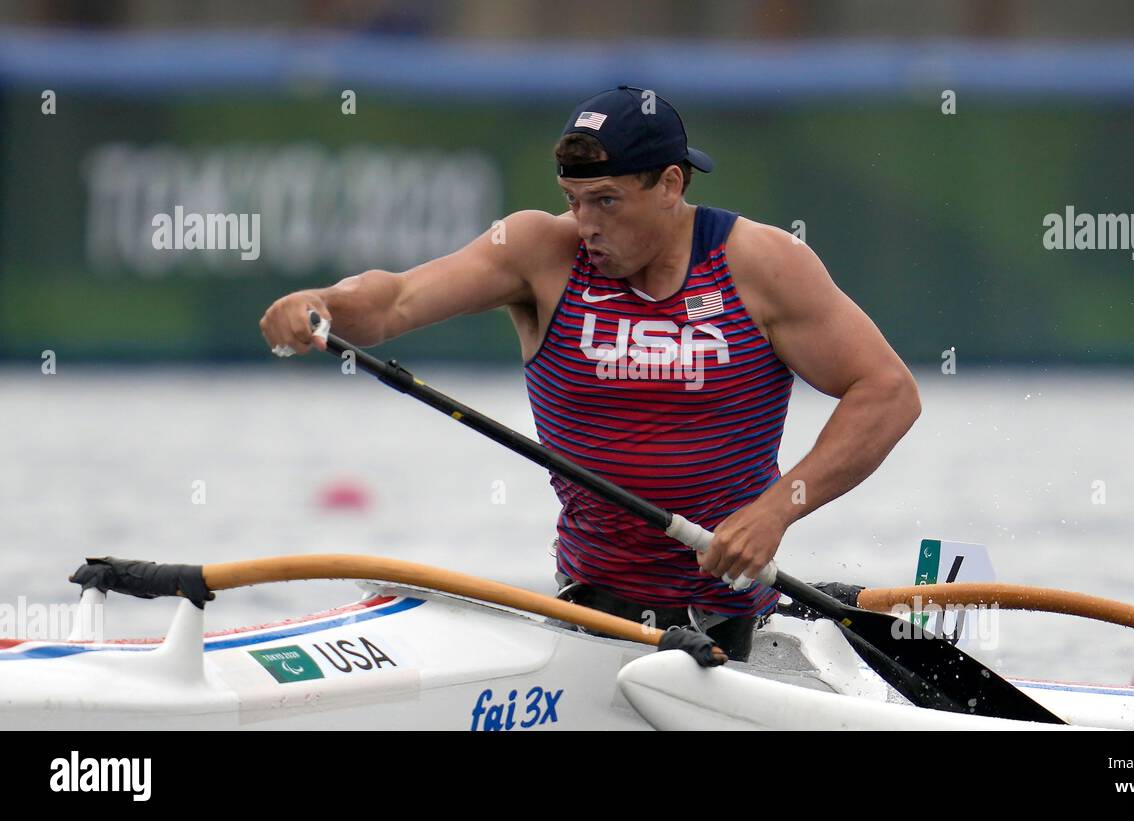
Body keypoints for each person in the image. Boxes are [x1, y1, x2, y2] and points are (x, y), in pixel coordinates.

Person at [259, 86, 920, 661]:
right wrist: (324, 303)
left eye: (606, 201)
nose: (585, 224)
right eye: (574, 200)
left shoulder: (762, 265)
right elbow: (393, 299)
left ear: (670, 185)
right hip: (590, 618)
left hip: (731, 622)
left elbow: (888, 393)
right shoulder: (537, 253)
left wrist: (776, 512)